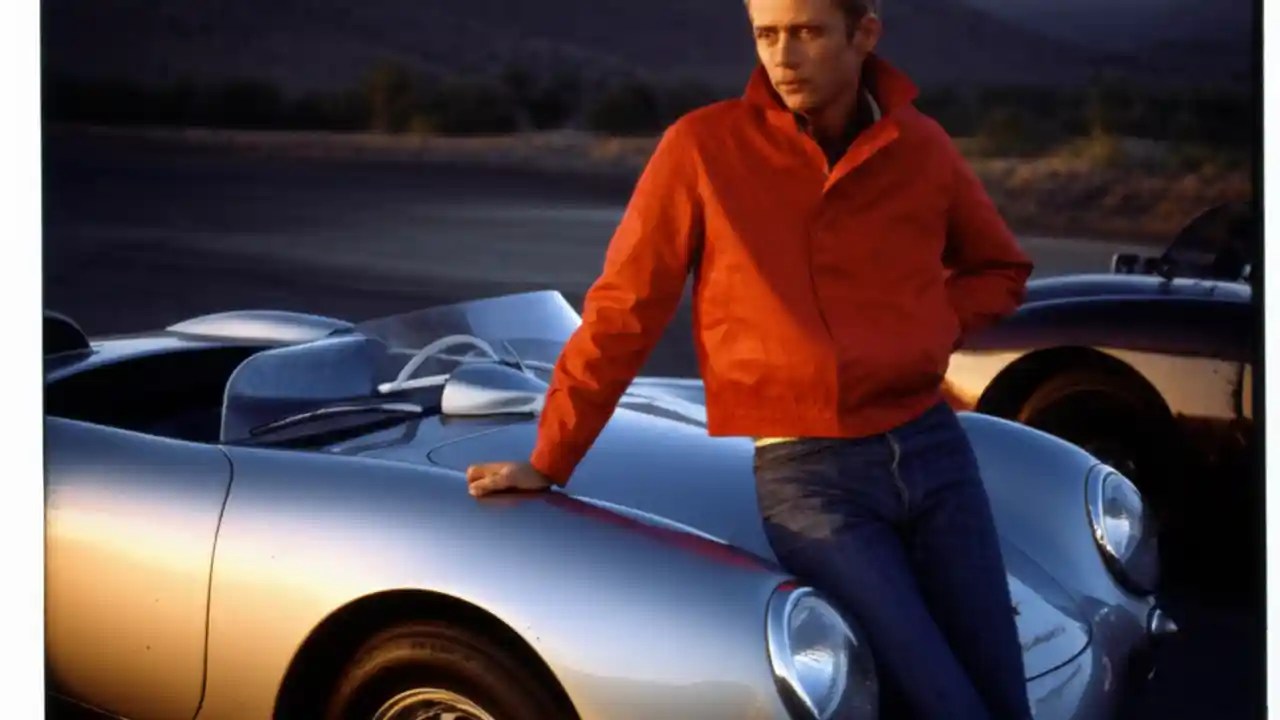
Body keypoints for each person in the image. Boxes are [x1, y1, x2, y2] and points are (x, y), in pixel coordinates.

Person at [466, 0, 1034, 717]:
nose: (783, 57)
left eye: (807, 33)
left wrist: (923, 331)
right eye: (767, 35)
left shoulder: (920, 146)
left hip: (934, 450)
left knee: (1005, 694)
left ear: (864, 34)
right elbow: (625, 311)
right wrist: (551, 458)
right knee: (936, 700)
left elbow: (999, 268)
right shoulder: (701, 149)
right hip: (814, 481)